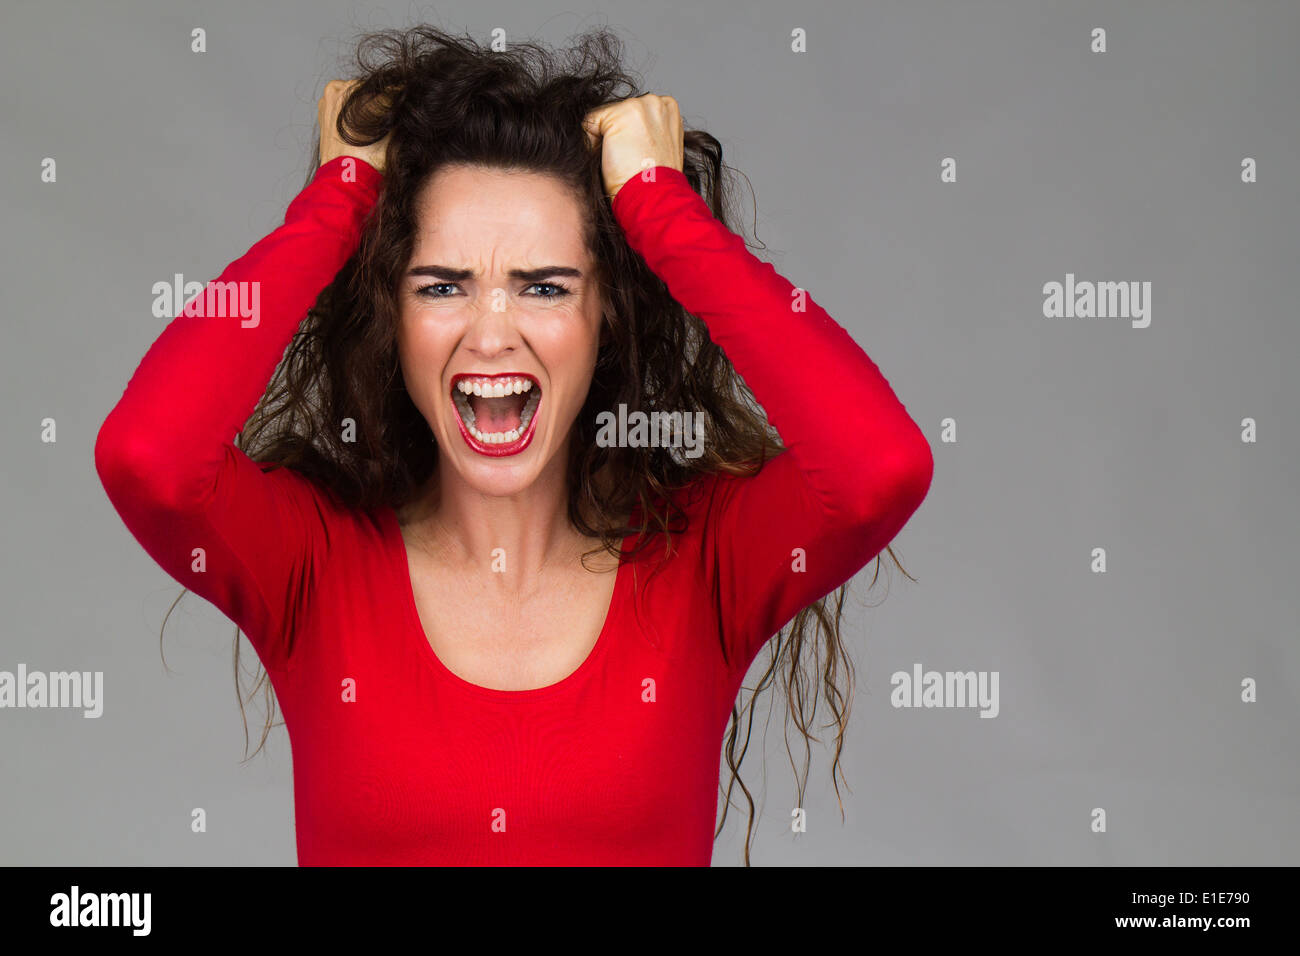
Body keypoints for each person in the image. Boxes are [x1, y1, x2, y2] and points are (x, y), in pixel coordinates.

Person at [94, 26, 933, 865]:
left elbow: (877, 469)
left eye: (544, 287)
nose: (492, 334)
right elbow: (149, 458)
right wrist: (340, 195)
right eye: (441, 286)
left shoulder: (701, 562)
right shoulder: (315, 562)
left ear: (605, 314)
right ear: (394, 315)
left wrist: (660, 208)